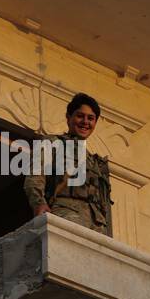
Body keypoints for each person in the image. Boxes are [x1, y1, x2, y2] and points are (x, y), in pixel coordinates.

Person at [23, 93, 113, 236]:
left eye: (91, 118)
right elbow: (35, 176)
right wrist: (39, 203)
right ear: (68, 118)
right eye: (80, 116)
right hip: (65, 213)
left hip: (97, 225)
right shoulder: (52, 143)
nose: (85, 122)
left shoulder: (95, 162)